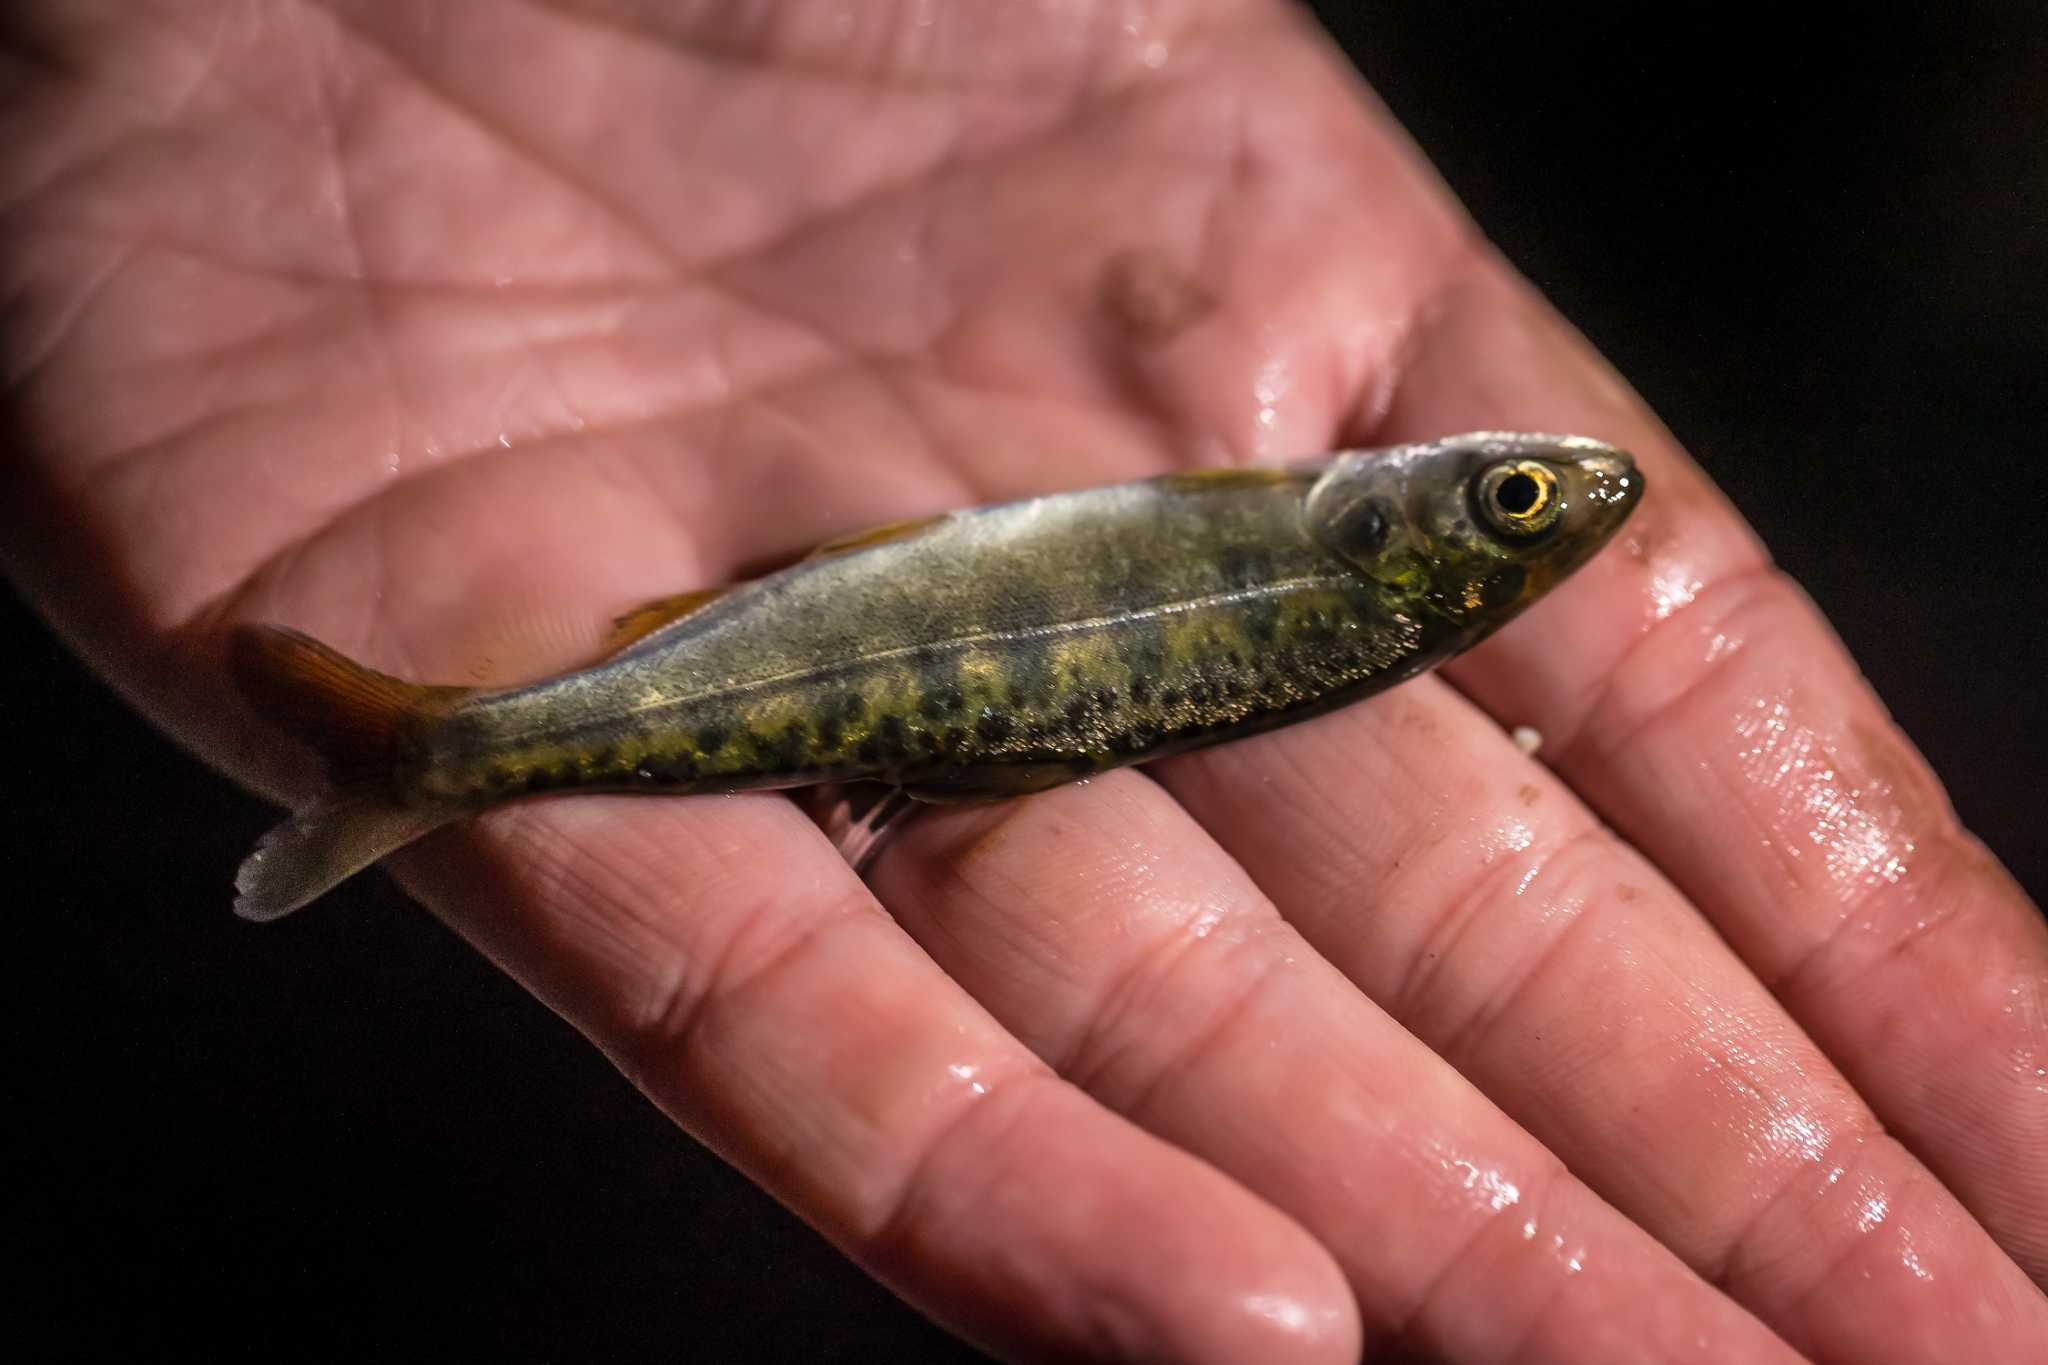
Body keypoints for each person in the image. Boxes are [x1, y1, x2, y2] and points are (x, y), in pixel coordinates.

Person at [4, 3, 2043, 1360]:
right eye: (1518, 494)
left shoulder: (1344, 556)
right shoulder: (1338, 567)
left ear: (1398, 534)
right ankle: (438, 749)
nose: (1540, 483)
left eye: (1509, 501)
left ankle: (448, 747)